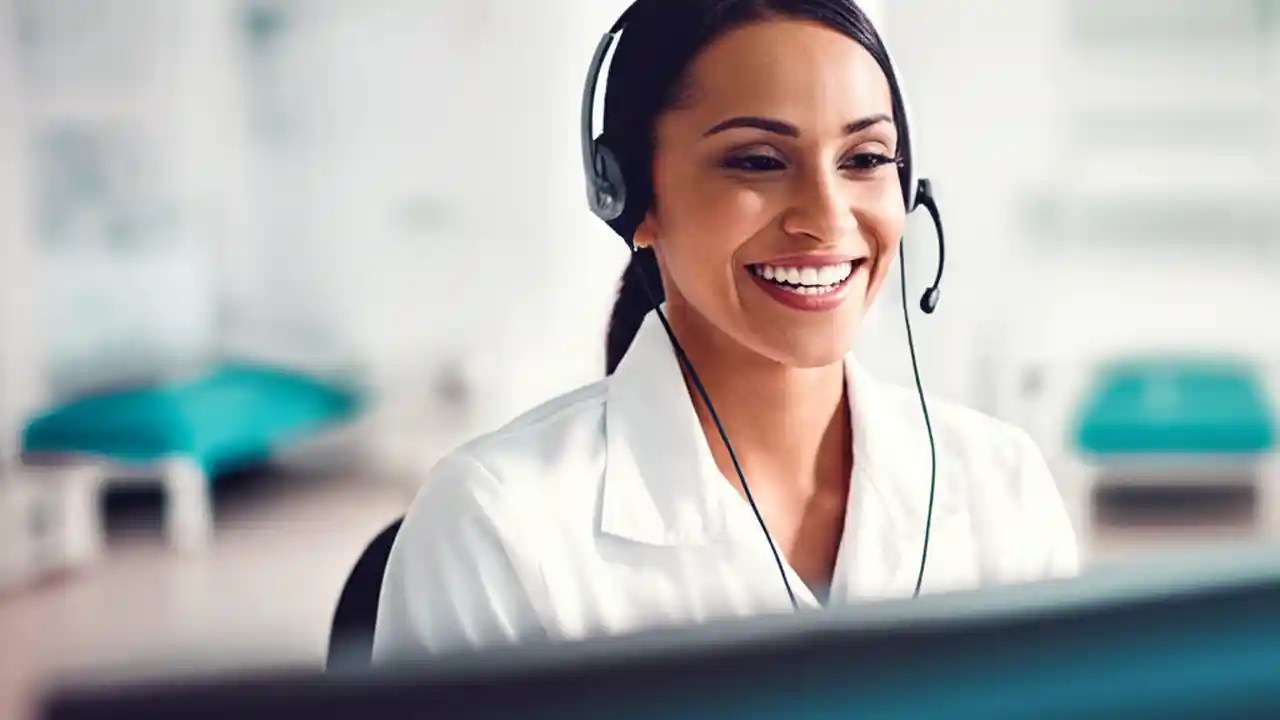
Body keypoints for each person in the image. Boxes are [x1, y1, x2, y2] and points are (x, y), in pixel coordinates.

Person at [373, 0, 1077, 661]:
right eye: (758, 162)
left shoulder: (1001, 486)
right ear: (632, 199)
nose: (827, 219)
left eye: (864, 159)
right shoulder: (493, 526)